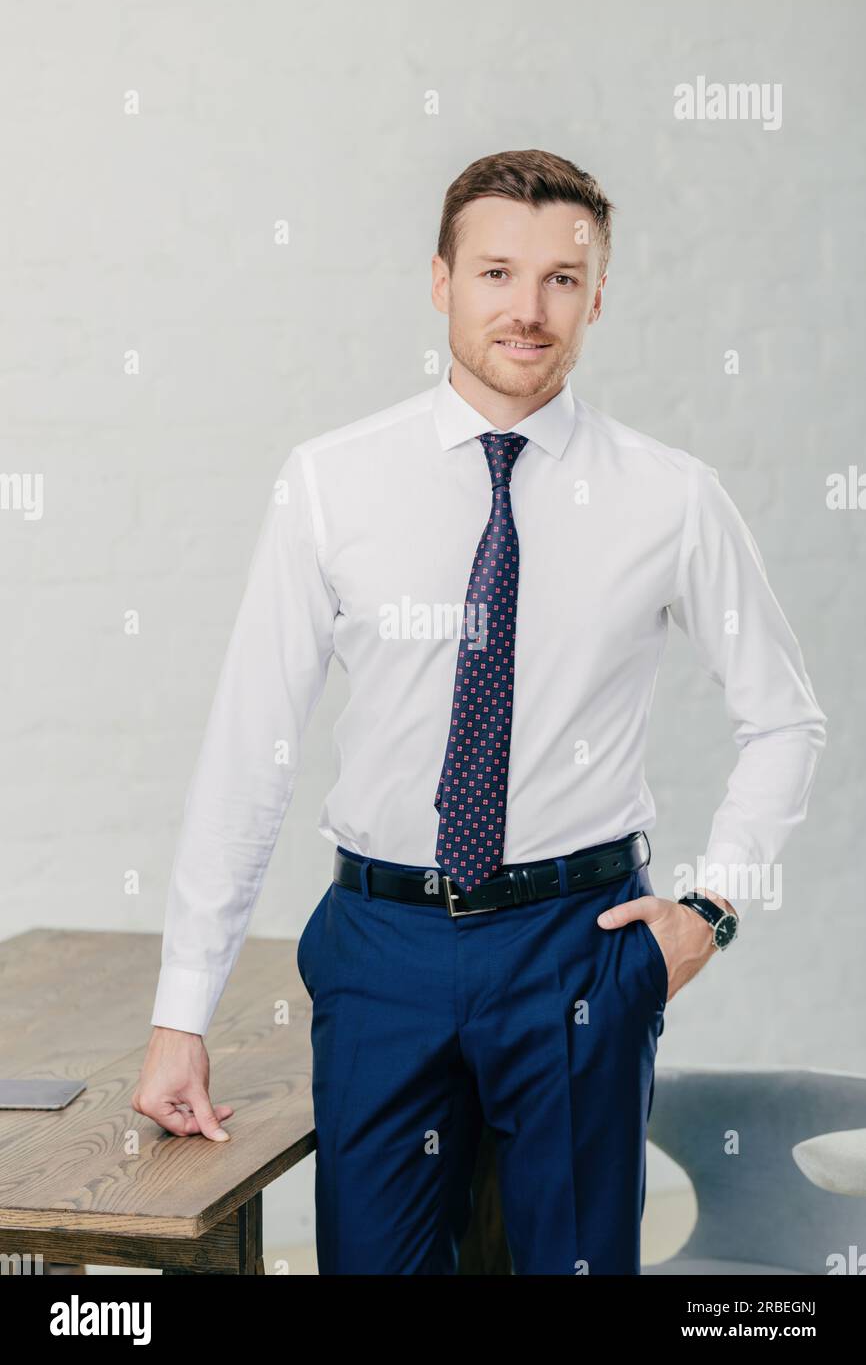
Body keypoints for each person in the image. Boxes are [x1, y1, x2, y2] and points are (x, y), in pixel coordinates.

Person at [132, 149, 827, 1274]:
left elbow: (784, 719)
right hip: (380, 950)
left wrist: (711, 904)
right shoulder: (331, 482)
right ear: (440, 281)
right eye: (497, 272)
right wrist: (181, 1011)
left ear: (596, 297)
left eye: (562, 278)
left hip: (576, 950)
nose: (528, 308)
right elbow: (247, 753)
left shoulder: (668, 495)